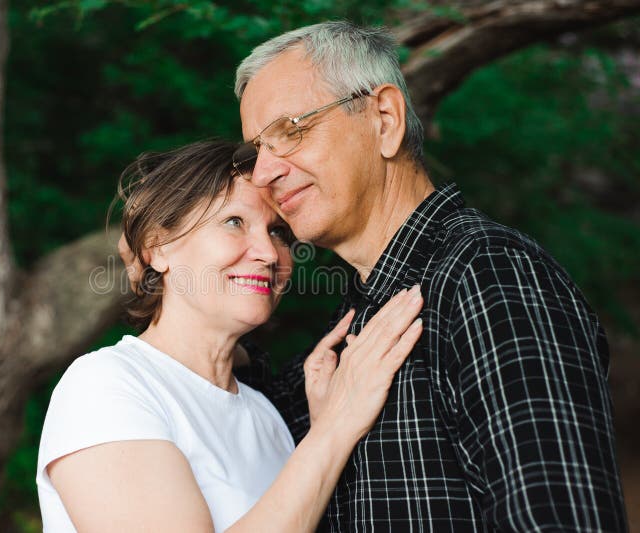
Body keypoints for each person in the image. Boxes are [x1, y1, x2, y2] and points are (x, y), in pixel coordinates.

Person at [226, 20, 627, 531]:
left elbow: (561, 518)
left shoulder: (488, 275)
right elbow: (238, 405)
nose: (263, 172)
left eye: (290, 130)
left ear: (385, 119)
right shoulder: (358, 318)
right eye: (257, 148)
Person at [36, 140, 425, 532]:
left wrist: (326, 428)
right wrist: (338, 424)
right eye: (234, 222)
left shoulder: (267, 418)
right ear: (157, 247)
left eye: (278, 232)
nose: (269, 254)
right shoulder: (105, 385)